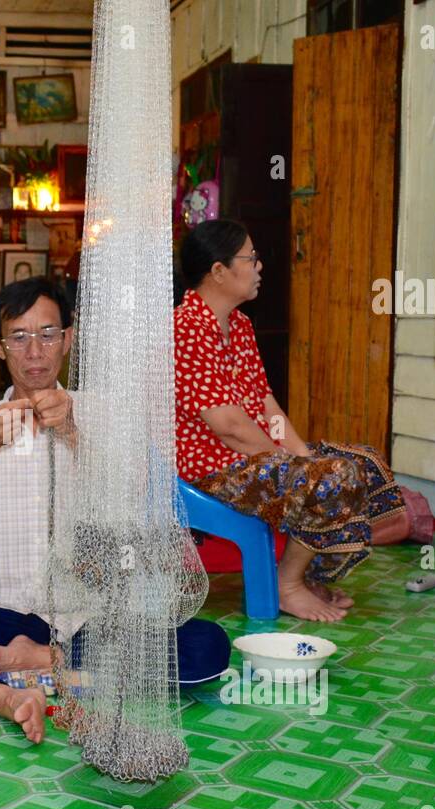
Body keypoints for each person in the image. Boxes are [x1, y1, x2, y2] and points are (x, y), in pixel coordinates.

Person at [0, 277, 231, 743]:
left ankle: (42, 663)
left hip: (83, 622)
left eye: (48, 334)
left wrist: (73, 432)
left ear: (68, 339)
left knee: (207, 646)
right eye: (19, 337)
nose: (35, 352)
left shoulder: (100, 417)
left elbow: (131, 509)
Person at [175, 220, 410, 623]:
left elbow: (267, 405)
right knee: (333, 477)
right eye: (251, 258)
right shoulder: (185, 328)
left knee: (365, 463)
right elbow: (229, 425)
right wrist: (301, 467)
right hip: (208, 467)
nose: (259, 266)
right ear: (218, 271)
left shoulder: (241, 326)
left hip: (251, 457)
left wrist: (300, 455)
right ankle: (287, 584)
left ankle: (305, 573)